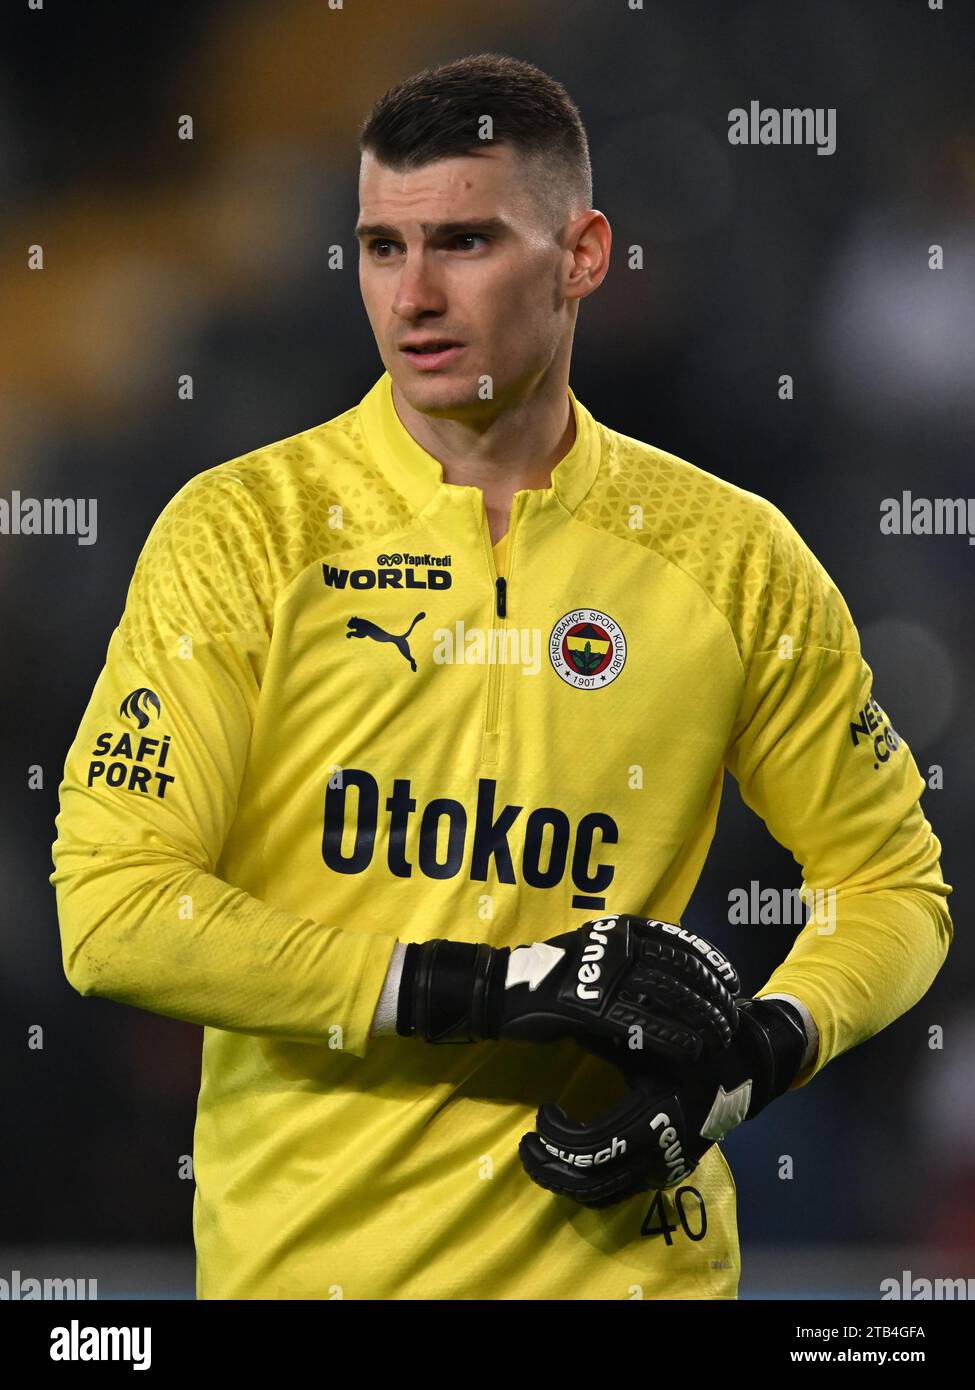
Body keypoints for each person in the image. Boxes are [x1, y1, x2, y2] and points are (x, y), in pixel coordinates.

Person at [50, 52, 952, 1300]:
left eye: (464, 242)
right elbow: (113, 914)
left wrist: (755, 1055)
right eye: (379, 246)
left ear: (583, 255)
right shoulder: (243, 533)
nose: (412, 295)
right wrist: (493, 987)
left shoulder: (730, 555)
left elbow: (892, 883)